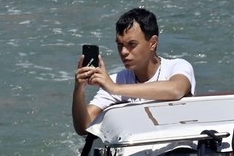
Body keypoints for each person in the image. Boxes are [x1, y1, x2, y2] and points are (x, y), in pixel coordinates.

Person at [71, 7, 195, 135]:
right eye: (120, 45)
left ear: (153, 43)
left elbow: (175, 90)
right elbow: (84, 127)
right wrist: (79, 90)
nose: (123, 52)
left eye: (132, 44)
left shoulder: (178, 66)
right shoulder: (115, 81)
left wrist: (115, 89)